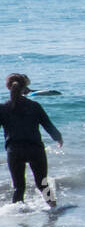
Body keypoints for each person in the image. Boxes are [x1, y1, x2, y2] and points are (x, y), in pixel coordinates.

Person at [0, 73, 63, 206]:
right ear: (25, 87)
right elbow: (48, 125)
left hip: (14, 151)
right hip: (35, 149)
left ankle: (18, 217)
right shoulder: (34, 106)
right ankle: (54, 210)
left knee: (19, 188)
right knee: (42, 184)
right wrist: (58, 138)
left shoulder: (3, 108)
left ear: (8, 87)